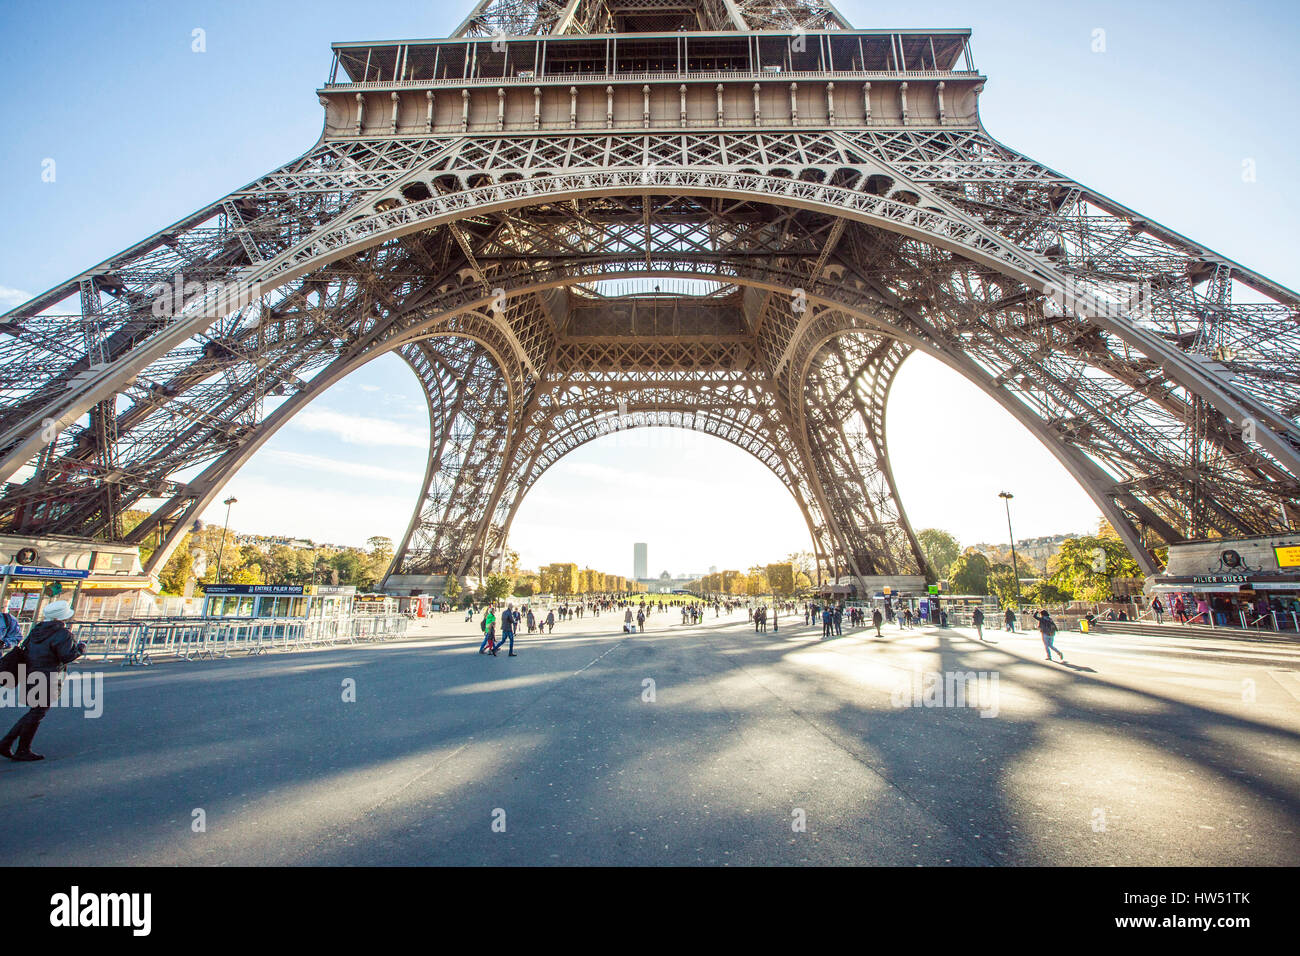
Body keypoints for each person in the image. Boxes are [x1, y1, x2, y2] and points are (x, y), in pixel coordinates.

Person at [1, 600, 85, 762]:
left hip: (31, 673)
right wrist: (80, 649)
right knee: (38, 712)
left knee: (35, 710)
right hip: (49, 676)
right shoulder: (62, 634)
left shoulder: (37, 630)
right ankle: (19, 748)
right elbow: (67, 656)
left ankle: (9, 743)